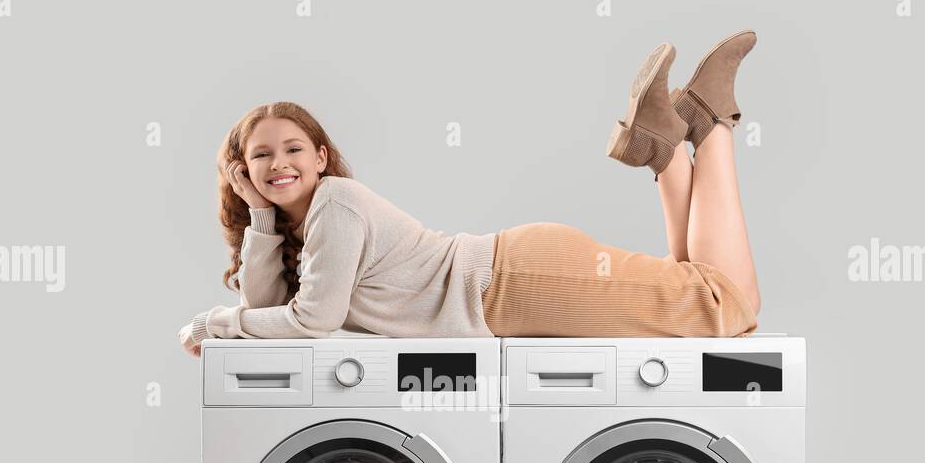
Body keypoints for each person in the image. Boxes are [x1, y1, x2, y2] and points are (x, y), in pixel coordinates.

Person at [179, 32, 761, 354]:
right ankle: (660, 147)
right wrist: (259, 219)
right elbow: (268, 313)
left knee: (727, 306)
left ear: (321, 157)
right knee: (698, 292)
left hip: (517, 285)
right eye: (261, 155)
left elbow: (309, 321)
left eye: (292, 149)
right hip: (512, 283)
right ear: (244, 172)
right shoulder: (307, 227)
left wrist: (215, 324)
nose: (279, 163)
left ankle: (710, 123)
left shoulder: (336, 203)